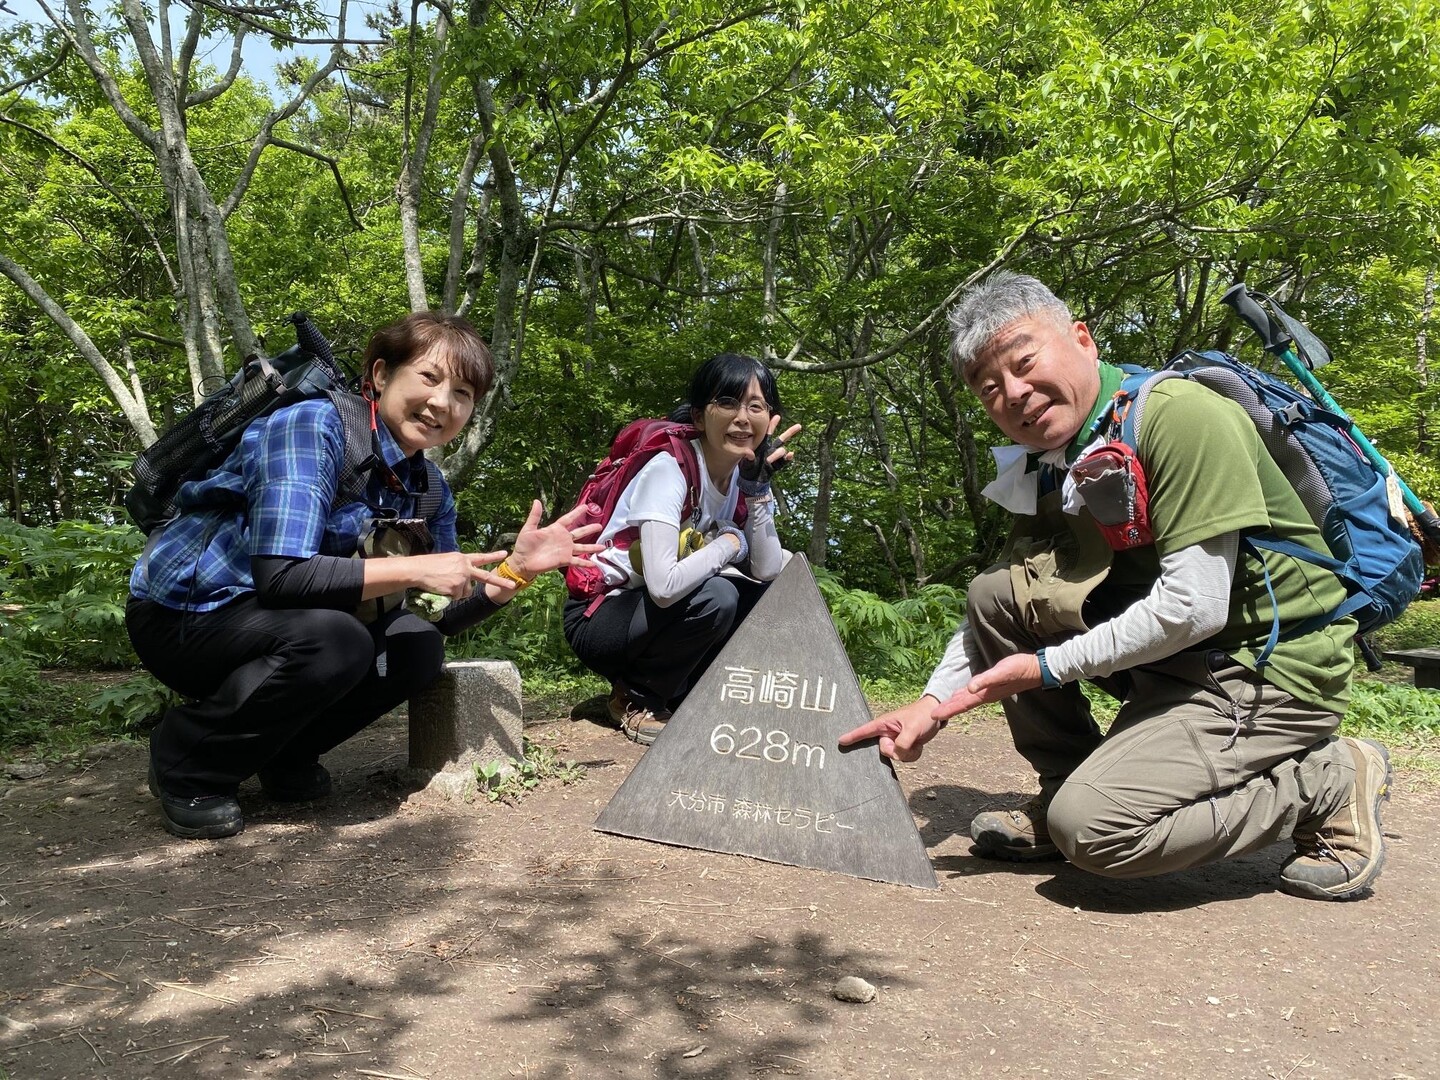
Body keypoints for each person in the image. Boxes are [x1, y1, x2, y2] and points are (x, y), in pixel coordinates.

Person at [840, 272, 1391, 902]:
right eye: (990, 388)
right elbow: (999, 603)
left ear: (1082, 339)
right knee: (996, 592)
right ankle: (1064, 785)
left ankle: (1329, 779)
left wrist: (1046, 667)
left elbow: (1194, 607)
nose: (1014, 394)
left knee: (1097, 832)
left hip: (1267, 668)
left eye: (1025, 362)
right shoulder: (1049, 461)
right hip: (1179, 666)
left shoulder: (1179, 417)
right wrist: (932, 705)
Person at [127, 312, 601, 839]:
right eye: (429, 377)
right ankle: (186, 761)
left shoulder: (429, 489)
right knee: (336, 640)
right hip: (185, 615)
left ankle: (282, 754)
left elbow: (438, 618)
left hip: (281, 625)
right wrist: (415, 566)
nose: (444, 403)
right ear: (379, 375)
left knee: (415, 645)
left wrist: (516, 571)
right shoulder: (312, 426)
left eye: (464, 393)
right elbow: (280, 576)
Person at [564, 353, 802, 745]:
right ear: (697, 417)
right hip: (602, 615)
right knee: (719, 595)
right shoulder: (668, 468)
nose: (743, 417)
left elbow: (767, 570)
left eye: (756, 406)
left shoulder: (747, 477)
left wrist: (758, 492)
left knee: (763, 598)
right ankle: (637, 698)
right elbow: (663, 587)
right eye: (727, 403)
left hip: (652, 616)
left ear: (769, 418)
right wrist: (729, 543)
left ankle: (687, 693)